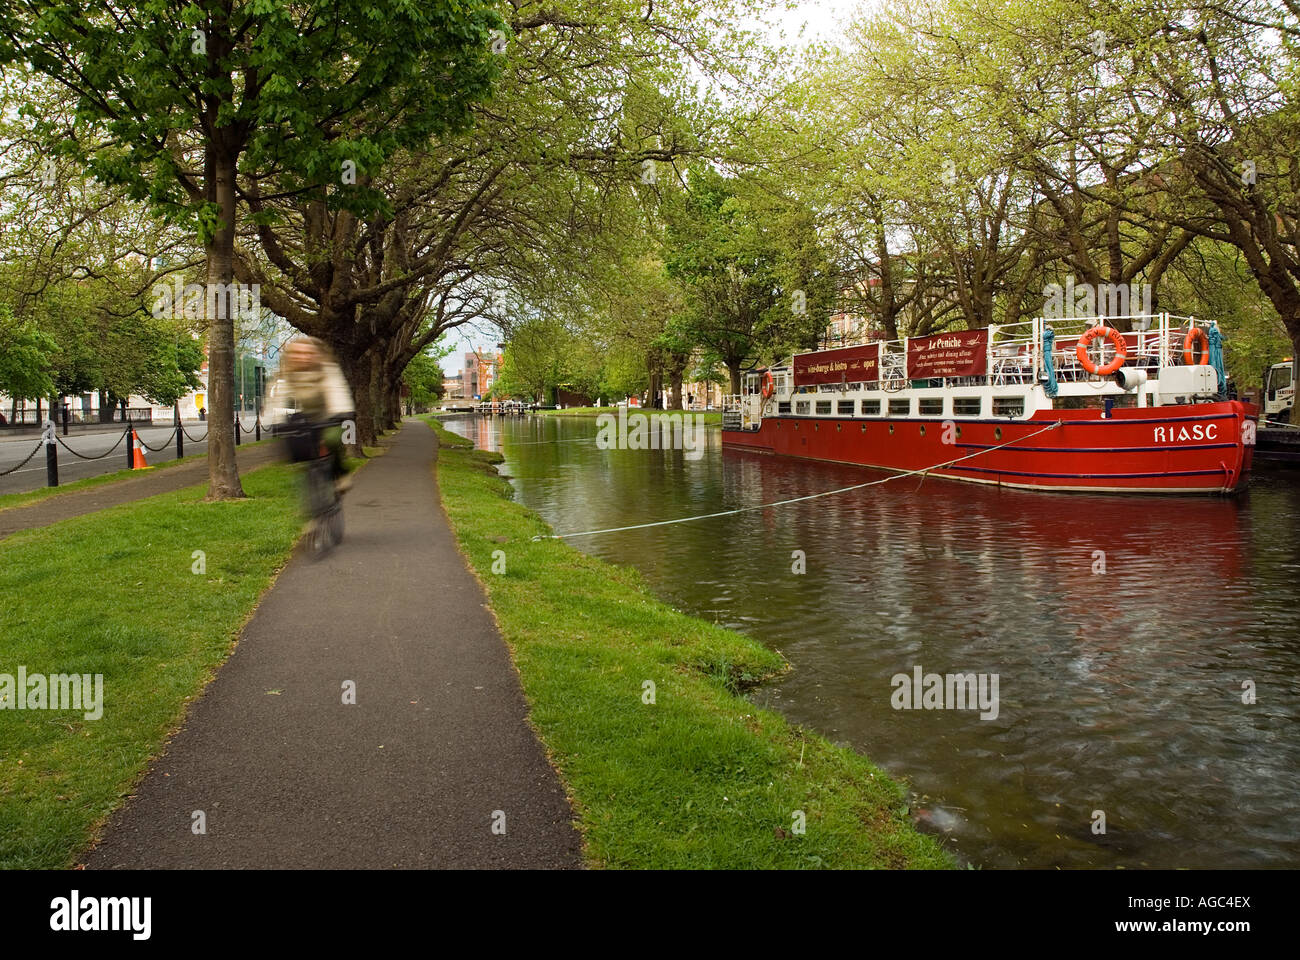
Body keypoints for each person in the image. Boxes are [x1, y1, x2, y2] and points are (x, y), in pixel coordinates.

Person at [270, 336, 356, 494]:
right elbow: (277, 399)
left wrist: (341, 414)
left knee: (331, 438)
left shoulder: (328, 369)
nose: (302, 357)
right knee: (294, 444)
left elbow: (337, 392)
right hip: (307, 415)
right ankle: (311, 475)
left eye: (307, 353)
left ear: (315, 354)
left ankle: (340, 473)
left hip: (330, 412)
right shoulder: (287, 373)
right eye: (297, 353)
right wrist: (277, 422)